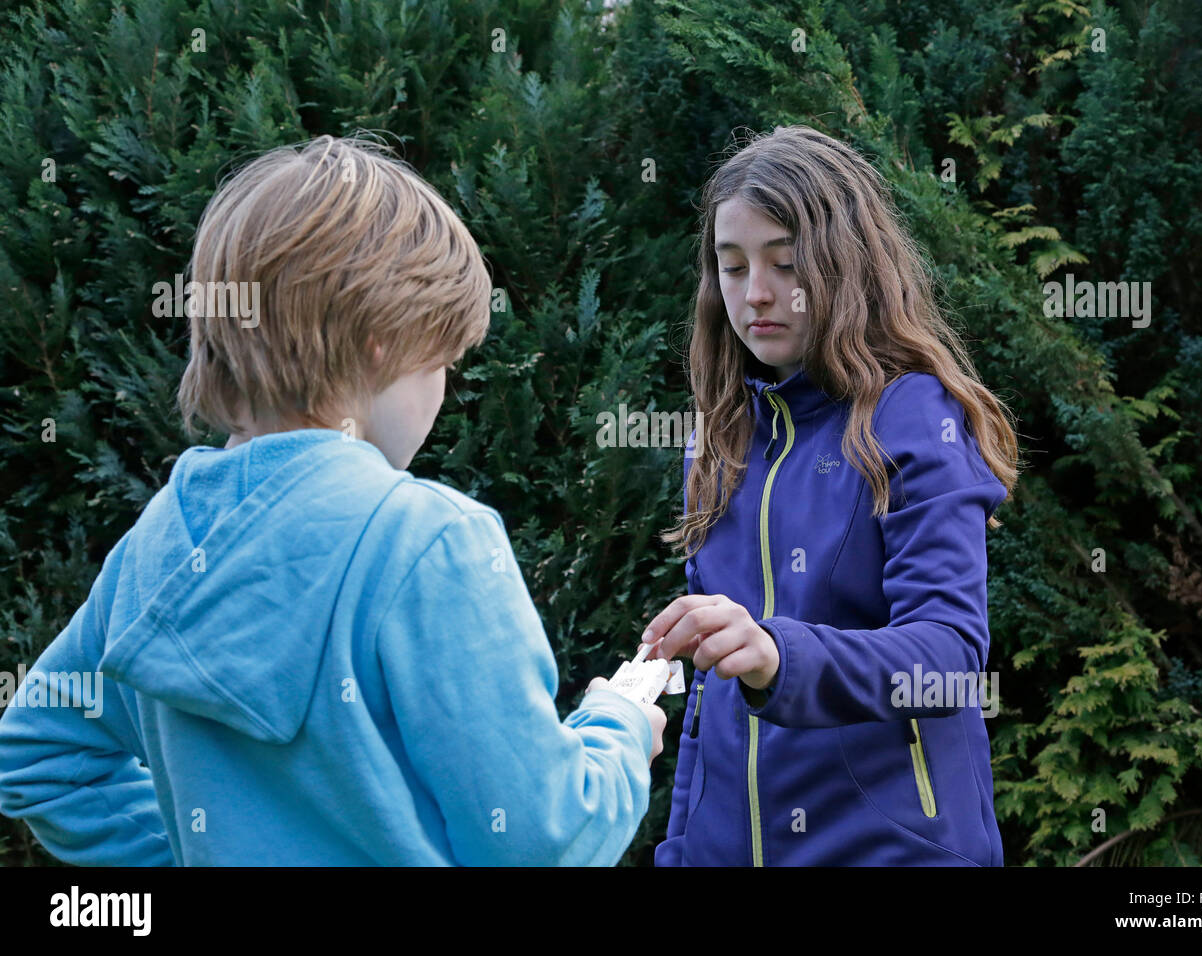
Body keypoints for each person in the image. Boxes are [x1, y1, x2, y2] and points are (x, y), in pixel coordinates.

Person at [0, 134, 665, 866]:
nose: (443, 392)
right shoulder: (430, 540)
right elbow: (545, 842)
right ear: (384, 342)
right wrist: (621, 726)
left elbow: (39, 756)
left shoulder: (162, 539)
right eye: (443, 362)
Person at [645, 125, 1021, 866]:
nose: (755, 293)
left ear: (845, 264)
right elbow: (708, 705)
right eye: (731, 266)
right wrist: (682, 846)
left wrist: (776, 654)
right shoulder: (716, 441)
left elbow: (946, 662)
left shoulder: (912, 417)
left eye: (785, 263)